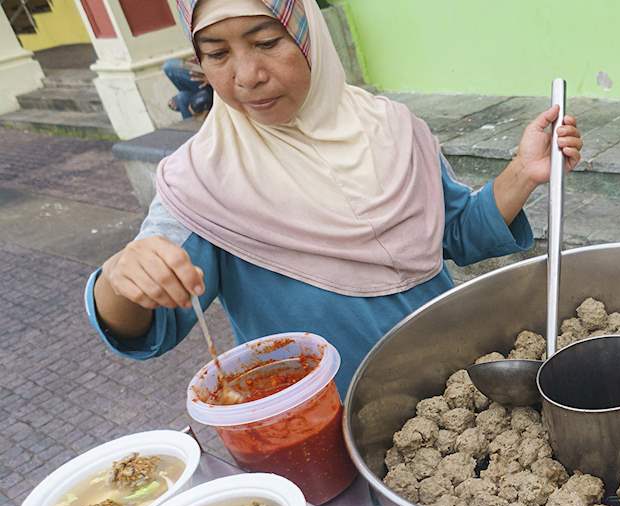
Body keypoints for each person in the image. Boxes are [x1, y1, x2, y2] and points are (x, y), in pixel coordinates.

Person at [85, 0, 582, 394]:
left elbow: (453, 236)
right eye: (216, 54)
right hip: (327, 430)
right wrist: (122, 280)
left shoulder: (393, 130)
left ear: (308, 36)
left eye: (265, 41)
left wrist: (521, 173)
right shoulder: (202, 182)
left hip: (453, 392)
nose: (246, 75)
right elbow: (148, 326)